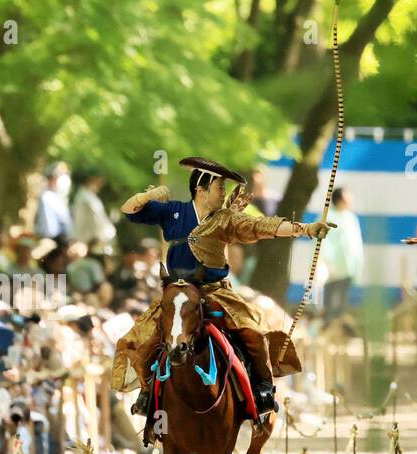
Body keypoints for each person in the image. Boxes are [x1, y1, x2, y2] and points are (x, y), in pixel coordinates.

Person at [112, 156, 333, 426]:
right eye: (219, 188)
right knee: (144, 337)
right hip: (177, 294)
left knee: (253, 331)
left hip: (215, 293)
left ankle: (262, 388)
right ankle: (147, 395)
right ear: (201, 190)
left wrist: (307, 229)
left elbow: (262, 226)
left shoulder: (225, 219)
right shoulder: (173, 212)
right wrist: (150, 194)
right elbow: (129, 210)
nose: (223, 193)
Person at [319, 188, 364, 325]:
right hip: (333, 269)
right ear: (339, 200)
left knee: (342, 304)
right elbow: (324, 243)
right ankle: (327, 331)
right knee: (331, 303)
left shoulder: (351, 218)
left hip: (347, 268)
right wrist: (325, 264)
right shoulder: (329, 218)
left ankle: (337, 334)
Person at [71, 170, 115, 248]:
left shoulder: (87, 196)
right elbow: (99, 226)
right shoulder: (87, 198)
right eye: (99, 181)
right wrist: (110, 232)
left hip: (88, 243)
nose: (101, 184)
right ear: (91, 180)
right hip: (89, 245)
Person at [34, 162, 74, 241]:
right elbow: (49, 230)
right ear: (51, 179)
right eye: (58, 176)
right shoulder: (47, 197)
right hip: (53, 243)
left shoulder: (58, 198)